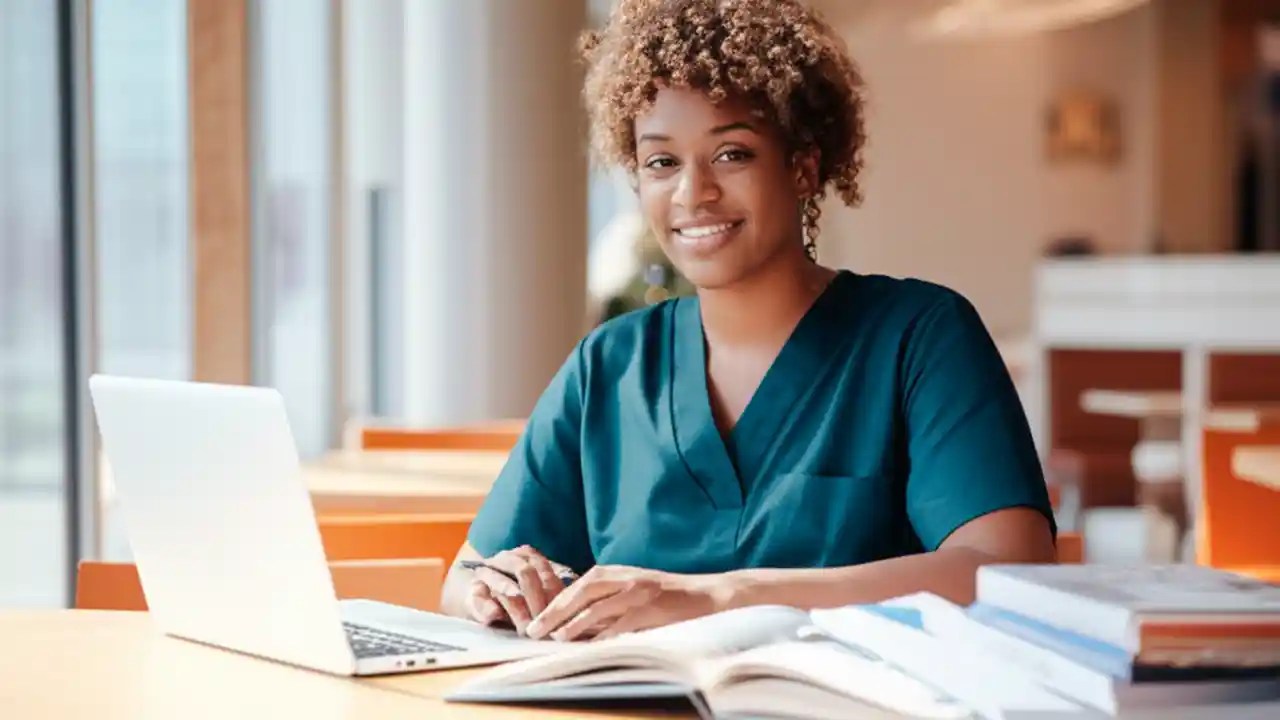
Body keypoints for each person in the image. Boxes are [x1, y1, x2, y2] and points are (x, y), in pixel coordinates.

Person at [439, 0, 1056, 642]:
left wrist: (723, 597)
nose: (692, 192)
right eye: (661, 162)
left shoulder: (920, 337)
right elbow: (462, 580)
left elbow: (1007, 569)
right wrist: (497, 591)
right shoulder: (610, 366)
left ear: (803, 166)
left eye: (731, 153)